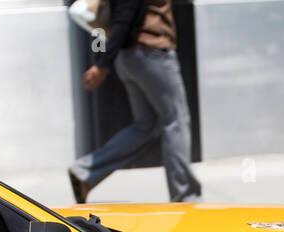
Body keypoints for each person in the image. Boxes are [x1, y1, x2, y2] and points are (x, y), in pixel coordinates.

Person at [68, 0, 201, 204]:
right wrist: (102, 65)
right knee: (176, 122)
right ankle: (186, 196)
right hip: (152, 54)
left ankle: (85, 172)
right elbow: (125, 16)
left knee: (145, 126)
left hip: (131, 58)